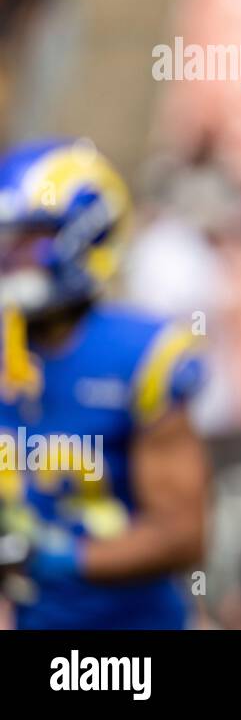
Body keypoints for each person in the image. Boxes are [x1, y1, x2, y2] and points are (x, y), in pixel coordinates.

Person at [0, 139, 208, 629]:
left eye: (31, 240)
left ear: (85, 236)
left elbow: (182, 533)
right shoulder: (8, 352)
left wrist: (54, 558)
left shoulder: (137, 354)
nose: (12, 259)